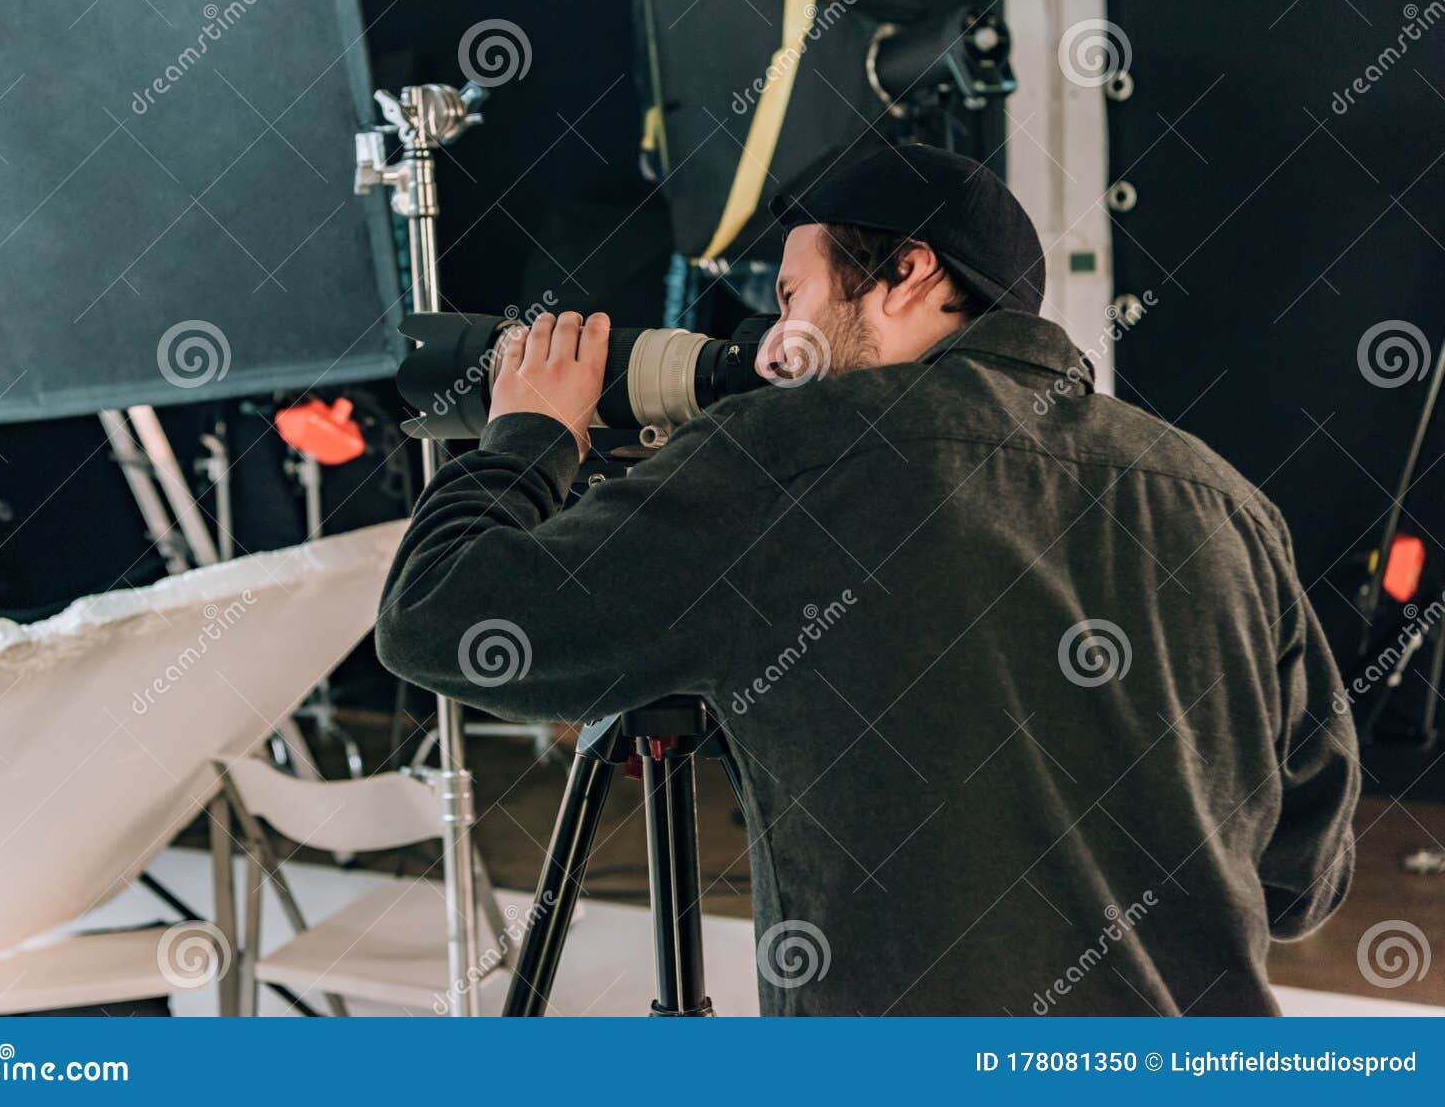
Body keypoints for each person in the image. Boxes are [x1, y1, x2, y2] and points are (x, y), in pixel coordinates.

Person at [376, 144, 1358, 1015]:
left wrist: (530, 438)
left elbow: (440, 618)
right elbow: (1296, 885)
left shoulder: (799, 454)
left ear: (906, 275)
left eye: (796, 297)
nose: (775, 341)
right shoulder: (1225, 504)